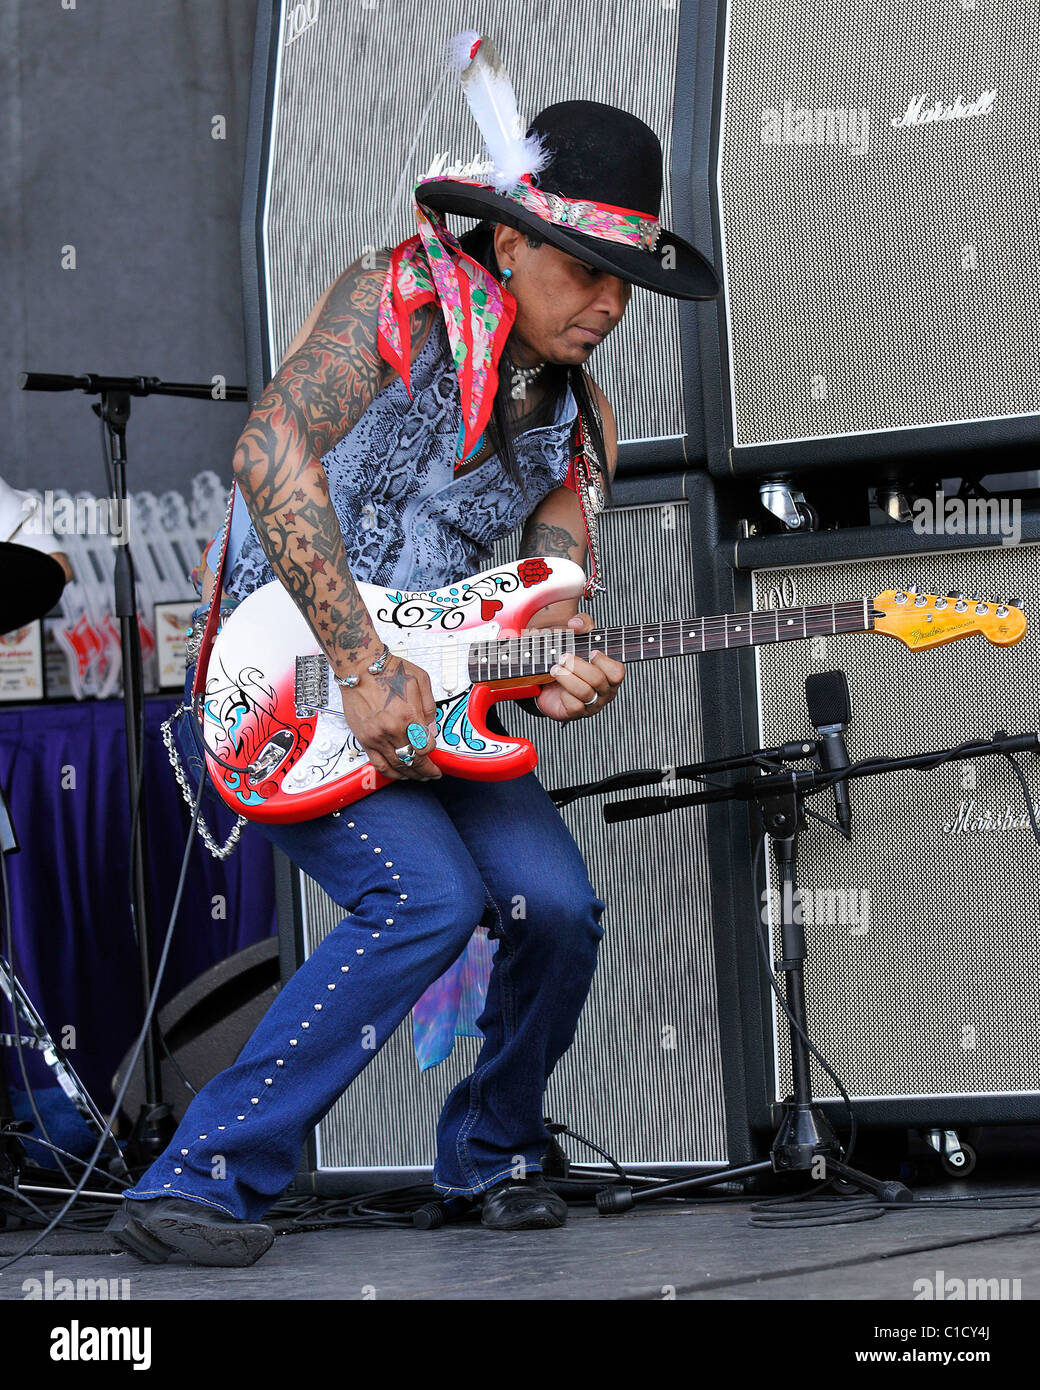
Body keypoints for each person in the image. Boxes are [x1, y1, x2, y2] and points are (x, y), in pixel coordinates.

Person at [108, 94, 719, 1267]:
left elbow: (558, 588)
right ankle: (203, 1175)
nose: (607, 303)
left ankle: (488, 1153)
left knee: (559, 909)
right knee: (428, 899)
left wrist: (564, 670)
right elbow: (266, 449)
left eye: (623, 280)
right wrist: (356, 660)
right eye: (585, 268)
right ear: (509, 241)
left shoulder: (579, 419)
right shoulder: (396, 300)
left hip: (433, 690)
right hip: (285, 671)